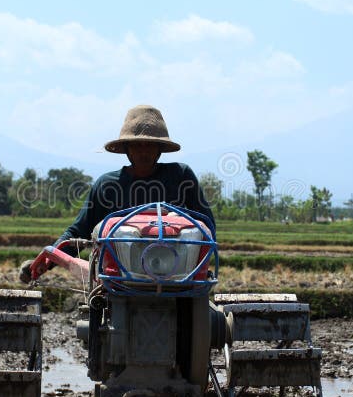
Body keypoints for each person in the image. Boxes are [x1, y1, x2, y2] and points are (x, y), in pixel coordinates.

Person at [20, 105, 214, 282]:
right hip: (119, 277)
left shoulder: (180, 177)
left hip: (176, 273)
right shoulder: (107, 185)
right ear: (127, 149)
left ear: (160, 150)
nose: (143, 151)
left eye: (150, 145)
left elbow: (206, 226)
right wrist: (48, 260)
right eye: (137, 145)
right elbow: (79, 231)